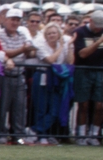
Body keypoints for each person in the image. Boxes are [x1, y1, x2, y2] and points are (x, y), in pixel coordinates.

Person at [0, 8, 35, 144]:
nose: (15, 23)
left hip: (19, 74)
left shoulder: (22, 34)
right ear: (6, 20)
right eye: (12, 20)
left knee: (20, 107)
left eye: (17, 20)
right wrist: (22, 49)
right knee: (2, 106)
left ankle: (18, 135)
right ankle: (0, 134)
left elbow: (29, 53)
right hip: (4, 75)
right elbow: (4, 53)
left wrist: (29, 51)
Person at [31, 22, 73, 144]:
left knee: (55, 110)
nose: (52, 35)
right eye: (49, 33)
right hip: (42, 76)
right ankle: (41, 135)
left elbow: (70, 61)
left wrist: (68, 46)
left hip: (56, 78)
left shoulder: (64, 45)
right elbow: (50, 60)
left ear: (59, 34)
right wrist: (60, 48)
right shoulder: (41, 46)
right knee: (41, 108)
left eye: (54, 33)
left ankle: (34, 130)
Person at [72, 10, 103, 146]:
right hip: (83, 71)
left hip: (100, 71)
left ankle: (94, 134)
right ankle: (81, 134)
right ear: (90, 21)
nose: (99, 28)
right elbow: (82, 54)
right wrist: (99, 41)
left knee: (99, 105)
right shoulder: (80, 32)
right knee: (83, 104)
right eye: (97, 25)